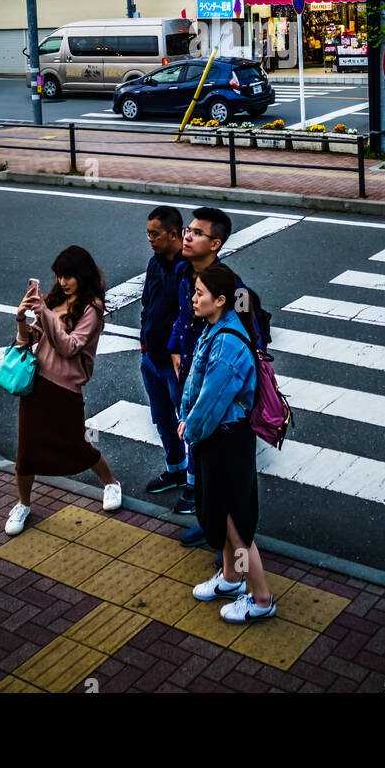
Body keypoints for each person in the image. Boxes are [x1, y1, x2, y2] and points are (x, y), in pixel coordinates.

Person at [178, 263, 275, 622]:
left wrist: (189, 427)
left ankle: (262, 598)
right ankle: (232, 579)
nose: (193, 298)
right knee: (219, 511)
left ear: (220, 300)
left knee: (236, 521)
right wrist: (190, 422)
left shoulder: (228, 342)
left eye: (199, 293)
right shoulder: (216, 327)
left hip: (227, 439)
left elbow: (213, 400)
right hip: (216, 437)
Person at [169, 206, 271, 547]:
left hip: (222, 385)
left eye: (197, 233)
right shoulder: (185, 274)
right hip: (191, 375)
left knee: (226, 473)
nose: (187, 235)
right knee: (200, 458)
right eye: (188, 229)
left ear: (215, 244)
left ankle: (232, 547)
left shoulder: (233, 289)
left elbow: (250, 336)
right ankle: (209, 522)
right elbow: (179, 317)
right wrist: (174, 349)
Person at [4, 245, 121, 536]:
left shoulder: (91, 309)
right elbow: (29, 339)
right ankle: (22, 504)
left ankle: (111, 483)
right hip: (36, 384)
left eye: (68, 276)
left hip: (66, 388)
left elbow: (69, 347)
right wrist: (22, 318)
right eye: (59, 276)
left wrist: (45, 312)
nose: (63, 282)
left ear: (82, 275)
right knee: (26, 450)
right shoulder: (56, 299)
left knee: (76, 445)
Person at [140, 205, 187, 495]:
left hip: (178, 364)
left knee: (188, 424)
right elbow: (147, 303)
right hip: (152, 359)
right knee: (163, 419)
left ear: (173, 234)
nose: (150, 239)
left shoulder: (191, 269)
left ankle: (196, 484)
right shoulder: (154, 264)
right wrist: (144, 344)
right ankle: (176, 470)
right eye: (148, 233)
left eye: (155, 234)